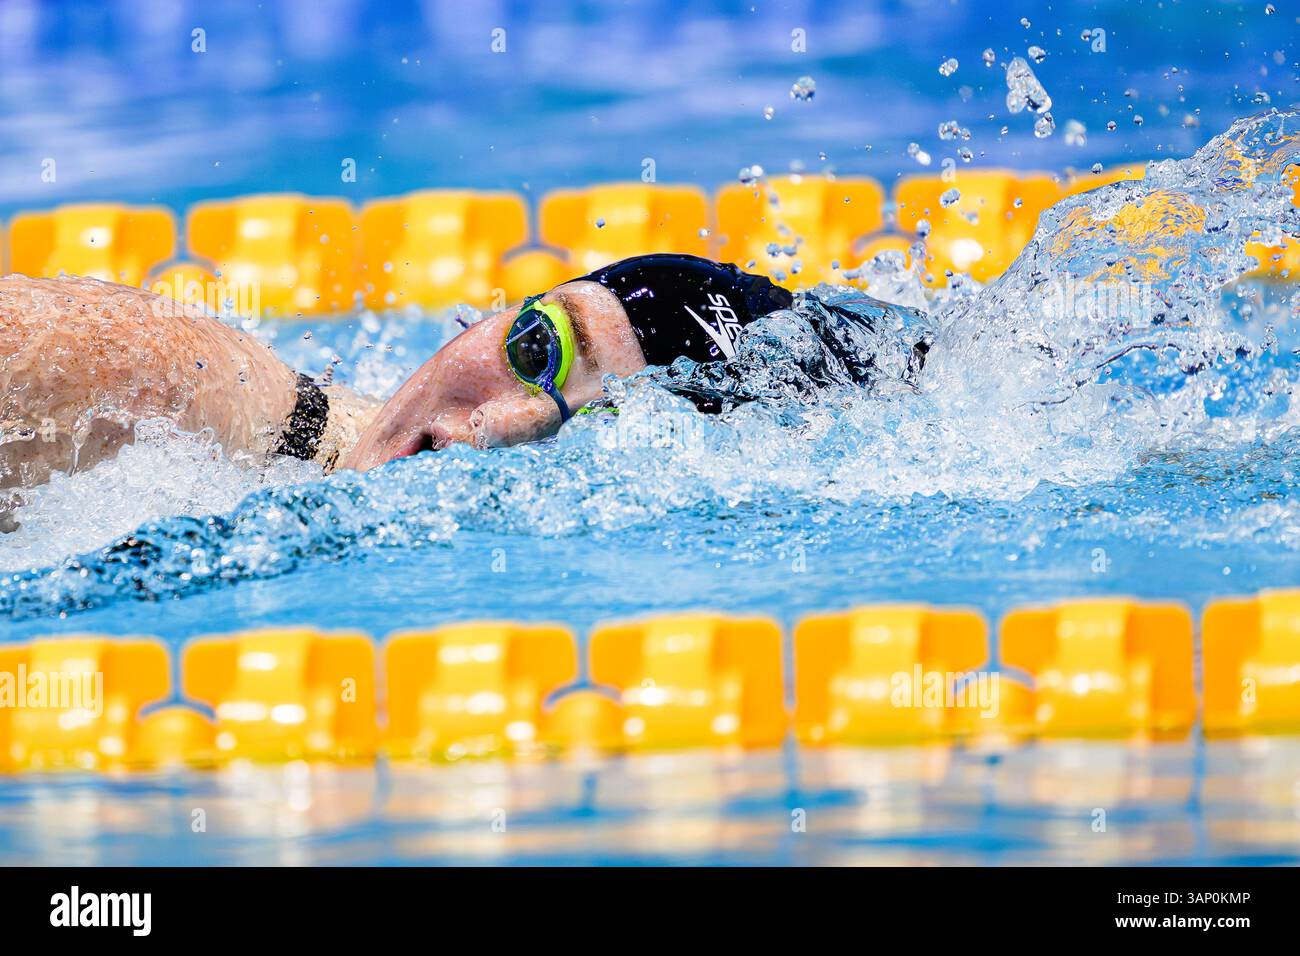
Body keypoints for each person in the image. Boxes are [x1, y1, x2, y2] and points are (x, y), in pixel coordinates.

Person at [0, 254, 924, 497]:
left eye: (597, 436)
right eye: (539, 349)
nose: (493, 430)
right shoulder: (156, 383)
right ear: (487, 315)